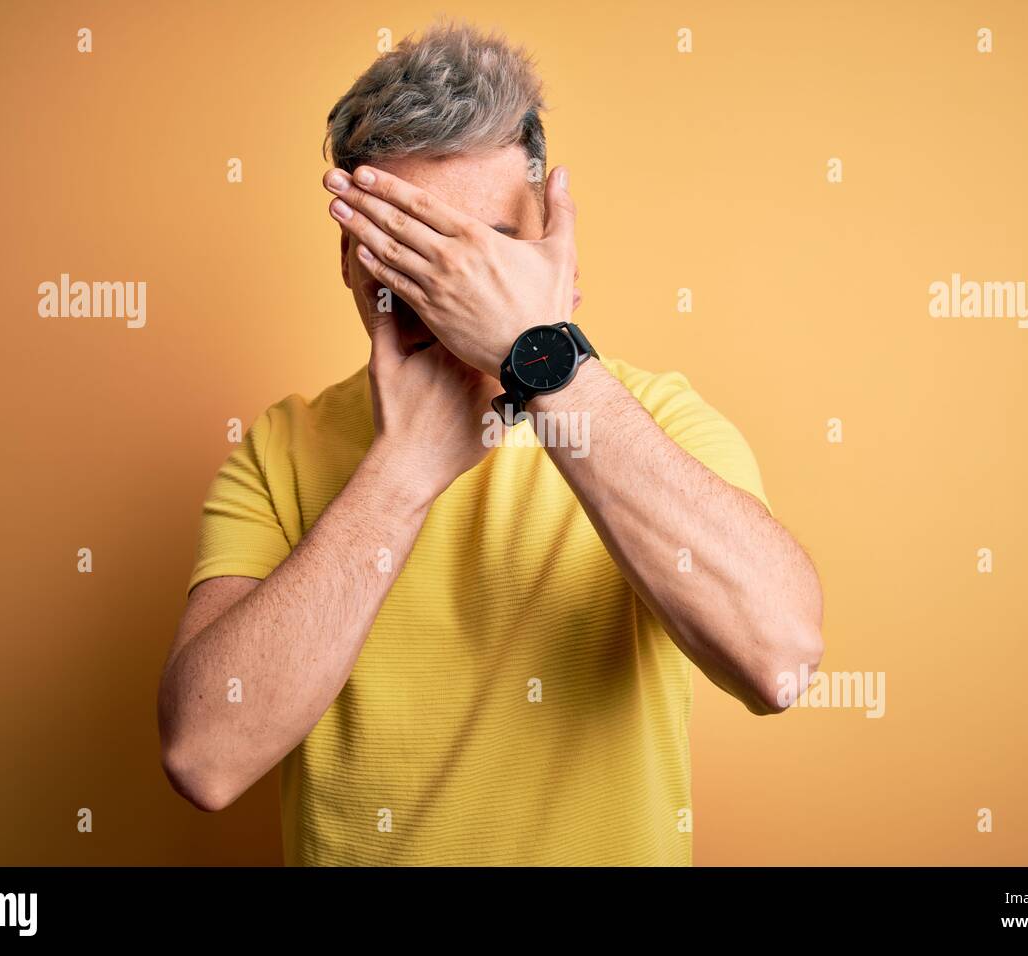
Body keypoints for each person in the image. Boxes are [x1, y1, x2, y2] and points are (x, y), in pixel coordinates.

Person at [158, 20, 823, 866]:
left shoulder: (657, 420)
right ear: (352, 259)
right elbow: (205, 757)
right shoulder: (282, 450)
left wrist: (546, 363)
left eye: (495, 252)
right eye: (413, 246)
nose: (454, 286)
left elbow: (780, 661)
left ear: (556, 253)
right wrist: (402, 471)